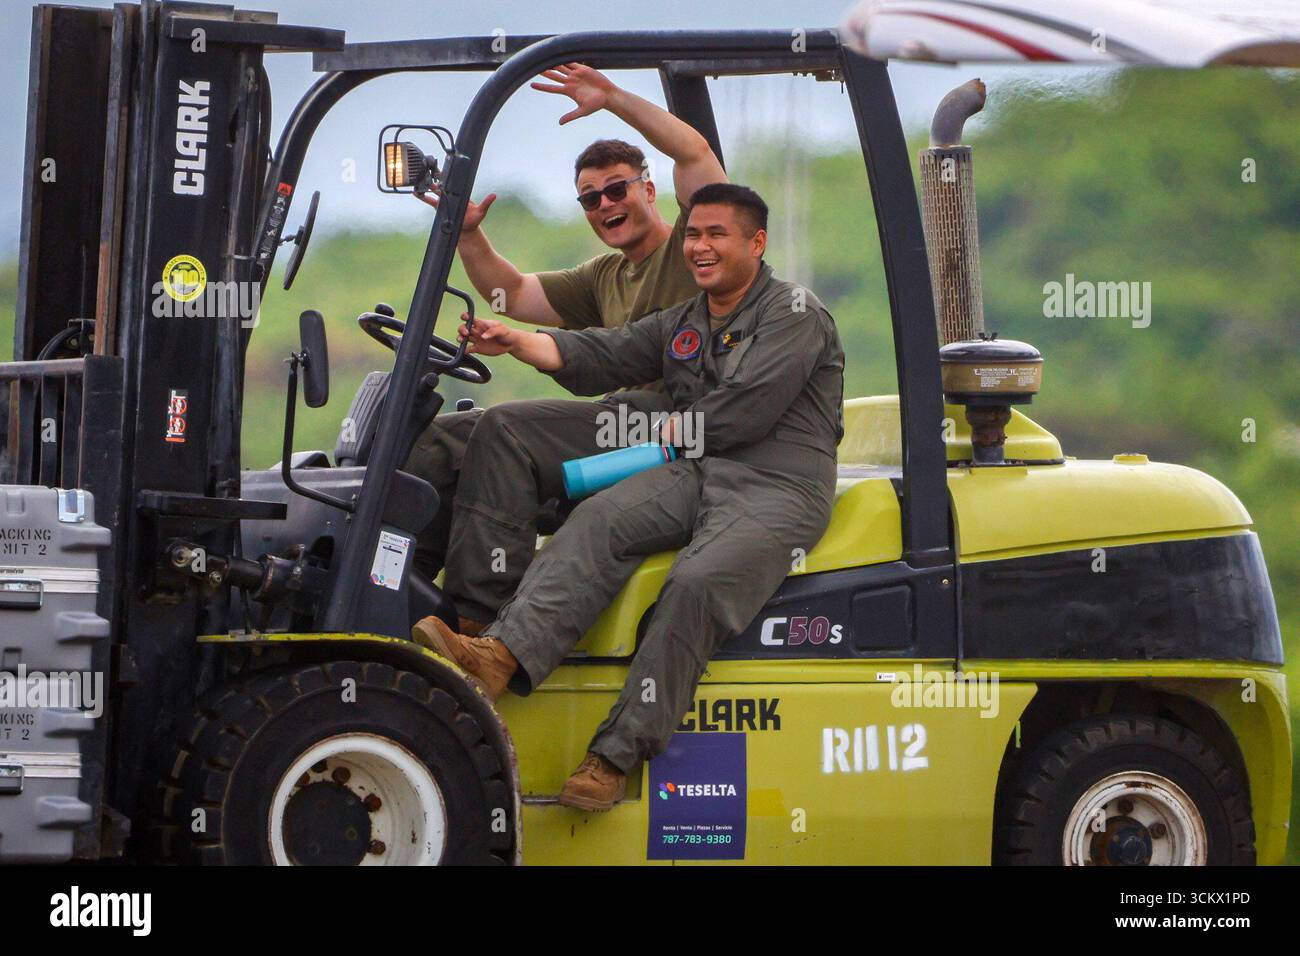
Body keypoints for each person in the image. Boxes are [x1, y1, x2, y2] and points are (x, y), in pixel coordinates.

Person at [414, 184, 845, 811]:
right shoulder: (686, 320)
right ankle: (497, 656)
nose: (699, 247)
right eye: (693, 234)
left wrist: (664, 435)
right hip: (698, 467)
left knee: (696, 582)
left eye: (716, 234)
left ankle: (615, 755)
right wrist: (515, 339)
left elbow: (747, 410)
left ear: (756, 243)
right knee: (600, 518)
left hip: (776, 485)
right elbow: (601, 352)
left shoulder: (795, 312)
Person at [404, 63, 726, 634]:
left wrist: (612, 98)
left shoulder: (693, 247)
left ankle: (477, 625)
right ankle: (400, 592)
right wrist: (471, 236)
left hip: (675, 433)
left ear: (649, 190)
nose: (604, 205)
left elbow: (696, 154)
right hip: (621, 429)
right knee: (449, 437)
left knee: (507, 430)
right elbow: (511, 293)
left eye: (616, 189)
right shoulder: (603, 276)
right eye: (590, 199)